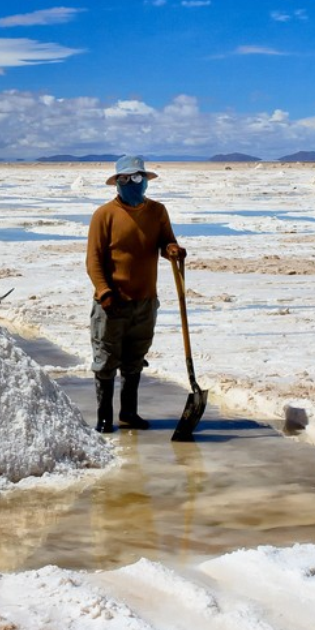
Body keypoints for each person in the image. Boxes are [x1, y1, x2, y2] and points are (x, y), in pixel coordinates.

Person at [86, 154, 186, 433]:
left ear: (145, 181)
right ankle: (104, 418)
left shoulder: (157, 212)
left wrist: (173, 251)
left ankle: (129, 413)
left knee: (134, 359)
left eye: (138, 178)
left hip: (144, 302)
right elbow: (93, 260)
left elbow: (167, 241)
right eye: (127, 179)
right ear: (117, 182)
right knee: (105, 360)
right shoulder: (104, 215)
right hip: (111, 303)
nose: (133, 184)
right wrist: (104, 292)